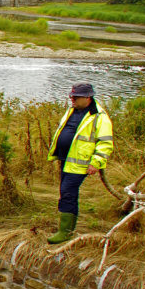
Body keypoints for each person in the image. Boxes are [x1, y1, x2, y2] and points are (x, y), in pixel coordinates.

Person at [46, 82, 114, 244]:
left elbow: (105, 143)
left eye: (76, 97)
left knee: (68, 192)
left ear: (88, 98)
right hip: (65, 160)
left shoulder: (100, 117)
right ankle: (67, 228)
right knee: (66, 192)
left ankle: (65, 232)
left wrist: (96, 163)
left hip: (80, 164)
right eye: (71, 96)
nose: (72, 99)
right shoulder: (72, 110)